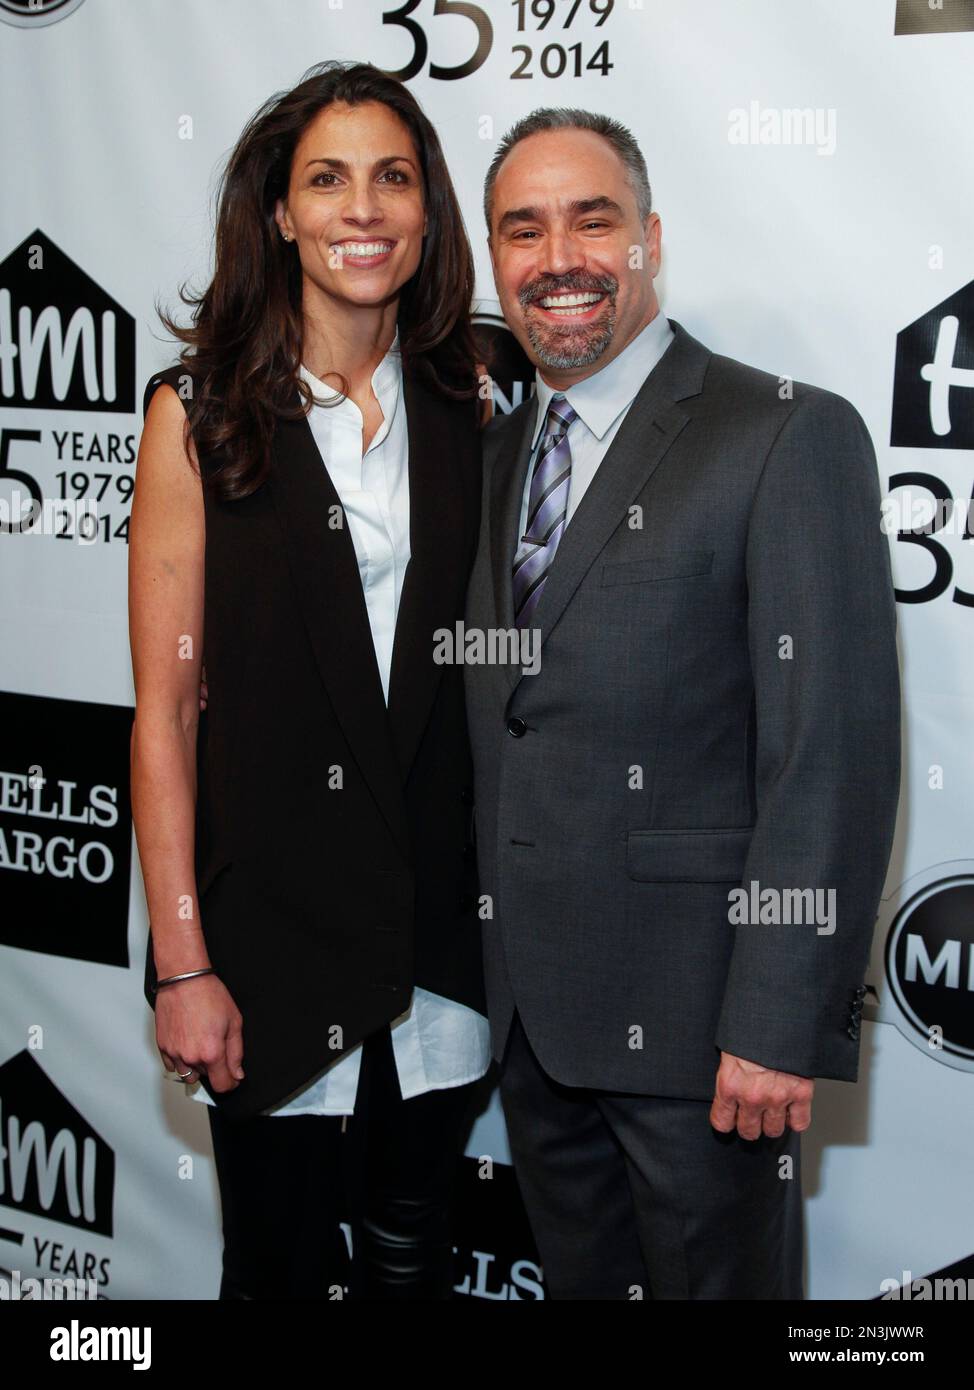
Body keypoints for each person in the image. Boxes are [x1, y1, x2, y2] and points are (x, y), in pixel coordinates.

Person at [463, 108, 901, 1299]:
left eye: (591, 219)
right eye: (521, 228)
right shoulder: (495, 456)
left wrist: (775, 1015)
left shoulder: (781, 432)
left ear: (648, 237)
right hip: (532, 1027)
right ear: (493, 259)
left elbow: (829, 753)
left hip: (707, 1031)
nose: (557, 256)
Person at [129, 61, 489, 1300]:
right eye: (325, 179)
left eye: (393, 177)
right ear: (277, 212)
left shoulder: (473, 401)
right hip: (265, 942)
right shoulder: (199, 415)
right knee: (275, 1273)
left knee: (410, 1258)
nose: (363, 209)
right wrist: (182, 961)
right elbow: (168, 713)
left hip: (440, 939)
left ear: (427, 209)